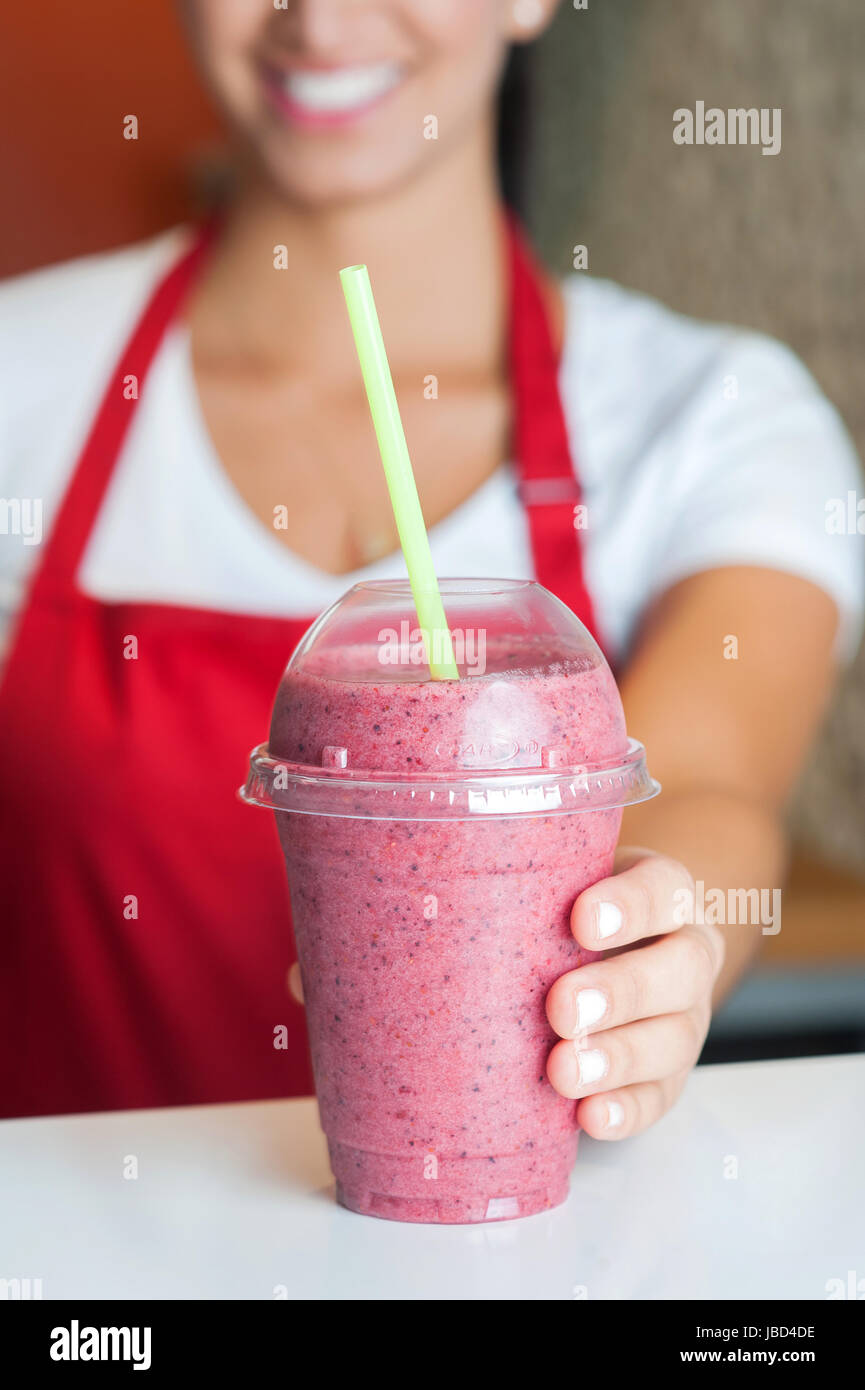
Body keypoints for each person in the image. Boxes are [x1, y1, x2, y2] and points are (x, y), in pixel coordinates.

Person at [0, 0, 862, 1132]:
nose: (315, 19)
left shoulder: (713, 419)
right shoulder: (25, 382)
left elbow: (702, 781)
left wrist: (656, 930)